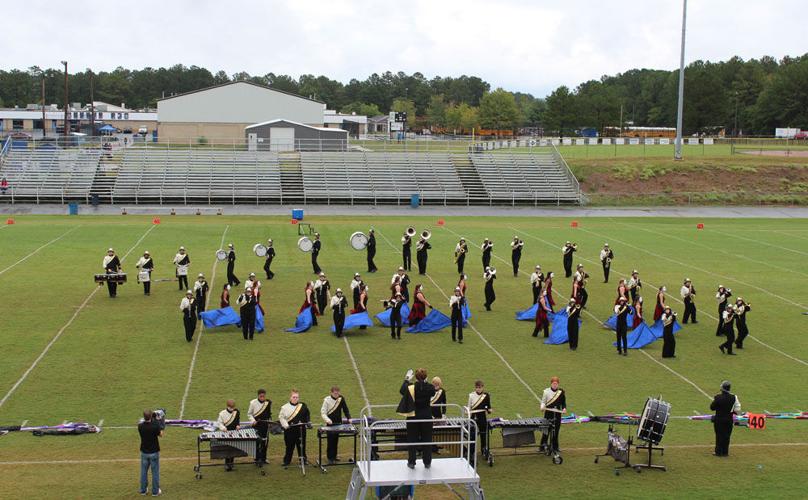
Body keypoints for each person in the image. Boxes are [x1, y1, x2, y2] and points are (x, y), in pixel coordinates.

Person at [397, 368, 437, 469]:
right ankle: (427, 462)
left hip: (413, 416)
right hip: (426, 417)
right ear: (426, 376)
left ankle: (411, 462)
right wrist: (425, 382)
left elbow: (402, 390)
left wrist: (407, 380)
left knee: (412, 440)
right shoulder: (430, 387)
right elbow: (433, 392)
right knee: (427, 440)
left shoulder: (411, 387)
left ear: (415, 377)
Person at [279, 389, 310, 467]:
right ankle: (287, 461)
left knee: (301, 446)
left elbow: (307, 415)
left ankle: (303, 460)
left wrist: (308, 422)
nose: (295, 399)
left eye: (297, 397)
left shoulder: (303, 406)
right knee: (289, 446)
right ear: (290, 397)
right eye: (294, 397)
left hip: (301, 430)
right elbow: (281, 418)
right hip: (290, 430)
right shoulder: (284, 407)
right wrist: (285, 425)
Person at [321, 386, 351, 464]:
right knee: (330, 441)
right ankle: (330, 458)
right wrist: (328, 420)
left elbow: (345, 409)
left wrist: (349, 418)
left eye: (338, 393)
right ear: (331, 393)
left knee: (335, 440)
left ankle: (334, 456)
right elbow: (323, 413)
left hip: (338, 423)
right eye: (335, 393)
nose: (336, 395)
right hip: (330, 424)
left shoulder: (341, 398)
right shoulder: (327, 400)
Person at [710, 381, 741, 457]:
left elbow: (712, 407)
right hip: (729, 420)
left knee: (719, 435)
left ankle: (718, 452)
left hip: (719, 420)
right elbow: (737, 409)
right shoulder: (734, 397)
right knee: (727, 436)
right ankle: (725, 452)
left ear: (722, 388)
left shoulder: (718, 397)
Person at [138, 409, 163, 496]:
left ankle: (143, 490)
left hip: (144, 452)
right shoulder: (155, 426)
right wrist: (160, 422)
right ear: (151, 417)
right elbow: (161, 434)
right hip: (154, 452)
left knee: (143, 472)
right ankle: (155, 492)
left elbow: (142, 423)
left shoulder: (140, 426)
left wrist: (154, 420)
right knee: (155, 472)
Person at [539, 376, 566, 454]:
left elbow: (563, 403)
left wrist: (564, 408)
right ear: (551, 384)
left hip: (557, 414)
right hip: (548, 414)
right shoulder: (546, 392)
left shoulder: (561, 392)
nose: (555, 385)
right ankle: (542, 446)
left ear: (558, 384)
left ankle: (555, 447)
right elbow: (543, 401)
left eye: (556, 384)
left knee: (556, 431)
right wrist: (542, 407)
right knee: (546, 431)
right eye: (553, 383)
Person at [466, 380, 492, 460]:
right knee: (472, 436)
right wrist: (468, 413)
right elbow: (468, 407)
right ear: (475, 388)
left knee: (483, 435)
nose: (478, 389)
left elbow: (489, 408)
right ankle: (472, 452)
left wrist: (488, 410)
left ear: (482, 387)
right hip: (473, 418)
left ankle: (483, 450)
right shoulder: (471, 395)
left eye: (480, 387)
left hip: (482, 417)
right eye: (477, 387)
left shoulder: (486, 396)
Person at [247, 389, 272, 466]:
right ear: (258, 396)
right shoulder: (253, 403)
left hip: (265, 425)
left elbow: (269, 414)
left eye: (263, 396)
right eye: (261, 396)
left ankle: (264, 458)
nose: (262, 398)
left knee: (265, 442)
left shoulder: (268, 403)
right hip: (256, 425)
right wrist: (253, 420)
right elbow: (249, 414)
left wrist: (270, 421)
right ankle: (257, 459)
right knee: (257, 442)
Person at [215, 400, 240, 471]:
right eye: (231, 407)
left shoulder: (236, 412)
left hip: (234, 433)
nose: (232, 409)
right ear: (227, 406)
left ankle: (231, 463)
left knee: (233, 448)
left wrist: (238, 425)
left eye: (233, 407)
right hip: (226, 433)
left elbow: (237, 420)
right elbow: (219, 423)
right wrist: (223, 428)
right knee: (227, 448)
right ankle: (227, 464)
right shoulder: (222, 413)